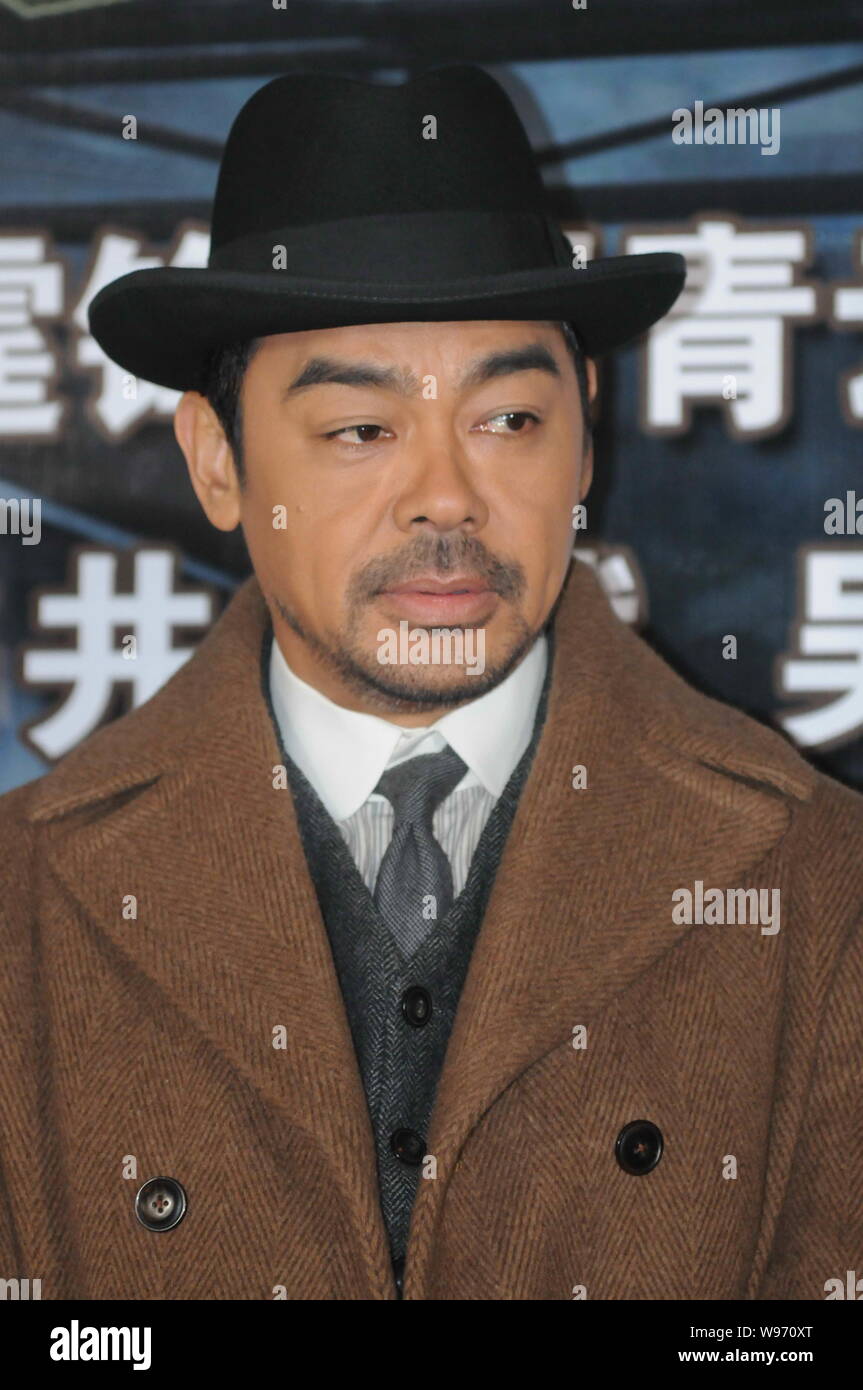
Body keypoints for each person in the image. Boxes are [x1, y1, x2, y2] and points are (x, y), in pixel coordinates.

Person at [1, 65, 861, 1302]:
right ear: (217, 460)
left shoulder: (818, 887)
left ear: (587, 427)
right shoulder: (23, 909)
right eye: (359, 431)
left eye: (507, 418)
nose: (447, 497)